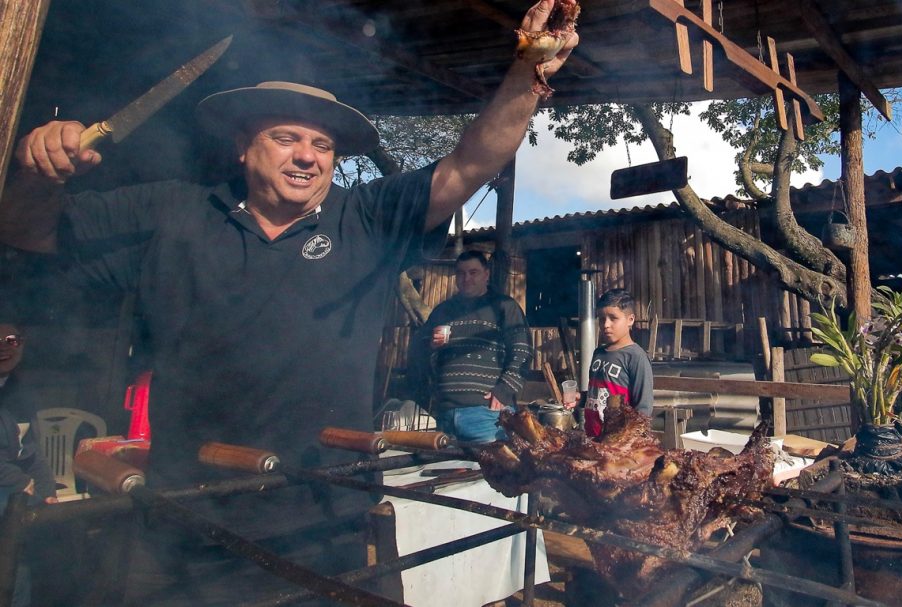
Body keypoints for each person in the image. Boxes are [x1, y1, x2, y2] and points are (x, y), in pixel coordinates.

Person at [0, 2, 577, 602]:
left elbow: (470, 164)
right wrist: (40, 172)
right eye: (286, 138)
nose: (308, 155)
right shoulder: (168, 213)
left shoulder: (366, 220)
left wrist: (526, 72)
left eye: (323, 145)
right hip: (185, 518)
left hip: (325, 519)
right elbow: (28, 233)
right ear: (242, 149)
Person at [407, 250, 532, 443]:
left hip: (487, 415)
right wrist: (430, 344)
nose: (466, 278)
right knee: (448, 472)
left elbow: (522, 352)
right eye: (461, 273)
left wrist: (504, 391)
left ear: (486, 274)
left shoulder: (504, 307)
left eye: (473, 272)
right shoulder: (443, 311)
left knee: (492, 472)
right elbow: (417, 352)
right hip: (445, 415)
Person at [0, 320, 58, 607]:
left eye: (11, 340)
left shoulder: (18, 393)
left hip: (12, 503)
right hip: (6, 497)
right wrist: (22, 483)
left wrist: (47, 489)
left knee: (19, 568)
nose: (3, 346)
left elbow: (31, 451)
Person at [570, 289, 654, 438]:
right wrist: (581, 398)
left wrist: (631, 442)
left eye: (613, 318)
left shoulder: (636, 357)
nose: (606, 324)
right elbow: (597, 392)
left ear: (630, 320)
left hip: (618, 442)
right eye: (602, 319)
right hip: (592, 438)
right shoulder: (598, 353)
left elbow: (643, 408)